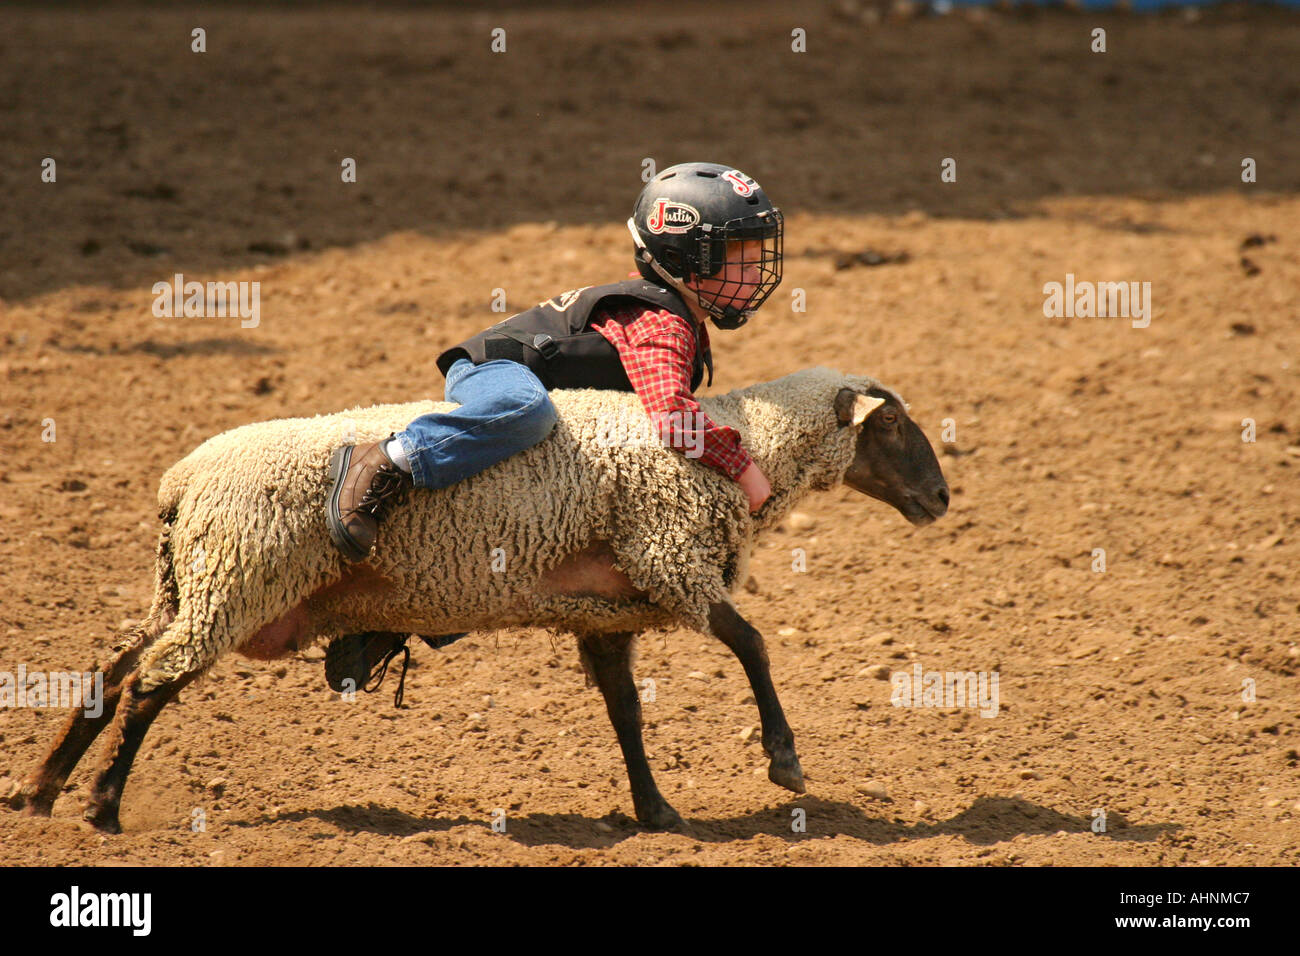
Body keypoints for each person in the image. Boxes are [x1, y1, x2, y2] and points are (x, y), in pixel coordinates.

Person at [322, 161, 784, 694]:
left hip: (541, 409)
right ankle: (382, 461)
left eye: (758, 254)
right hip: (500, 377)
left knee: (530, 537)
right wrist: (742, 467)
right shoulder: (662, 323)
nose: (757, 272)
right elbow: (674, 418)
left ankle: (399, 617)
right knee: (528, 410)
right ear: (686, 259)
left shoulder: (682, 322)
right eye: (740, 258)